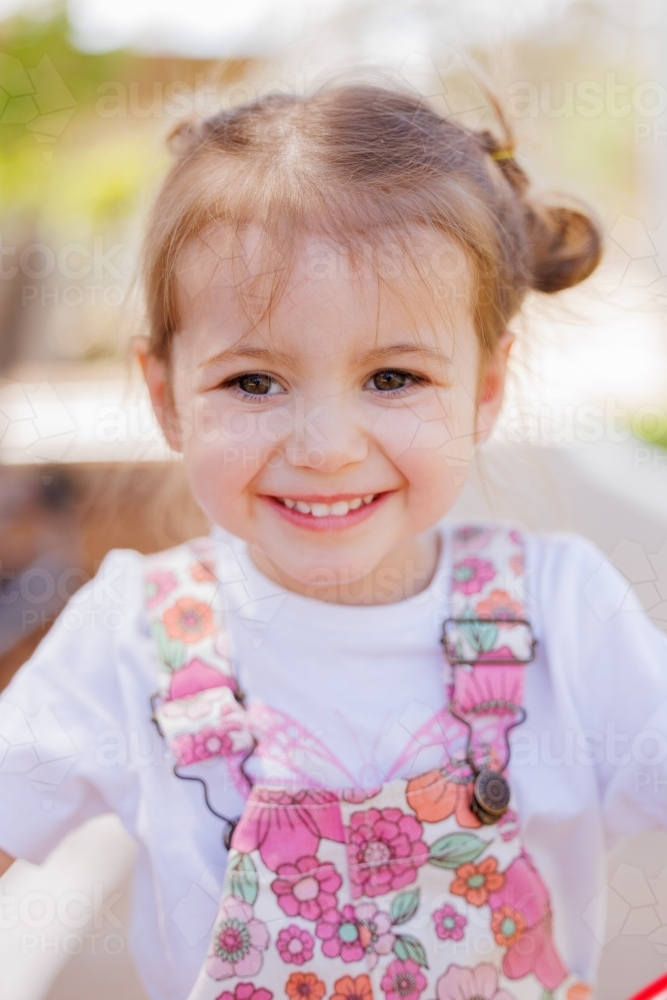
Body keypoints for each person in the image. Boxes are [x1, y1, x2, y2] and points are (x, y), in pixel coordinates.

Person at [0, 82, 664, 1000]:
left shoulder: (565, 612)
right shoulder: (127, 638)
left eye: (392, 376)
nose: (323, 449)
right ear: (164, 395)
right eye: (253, 382)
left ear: (484, 389)